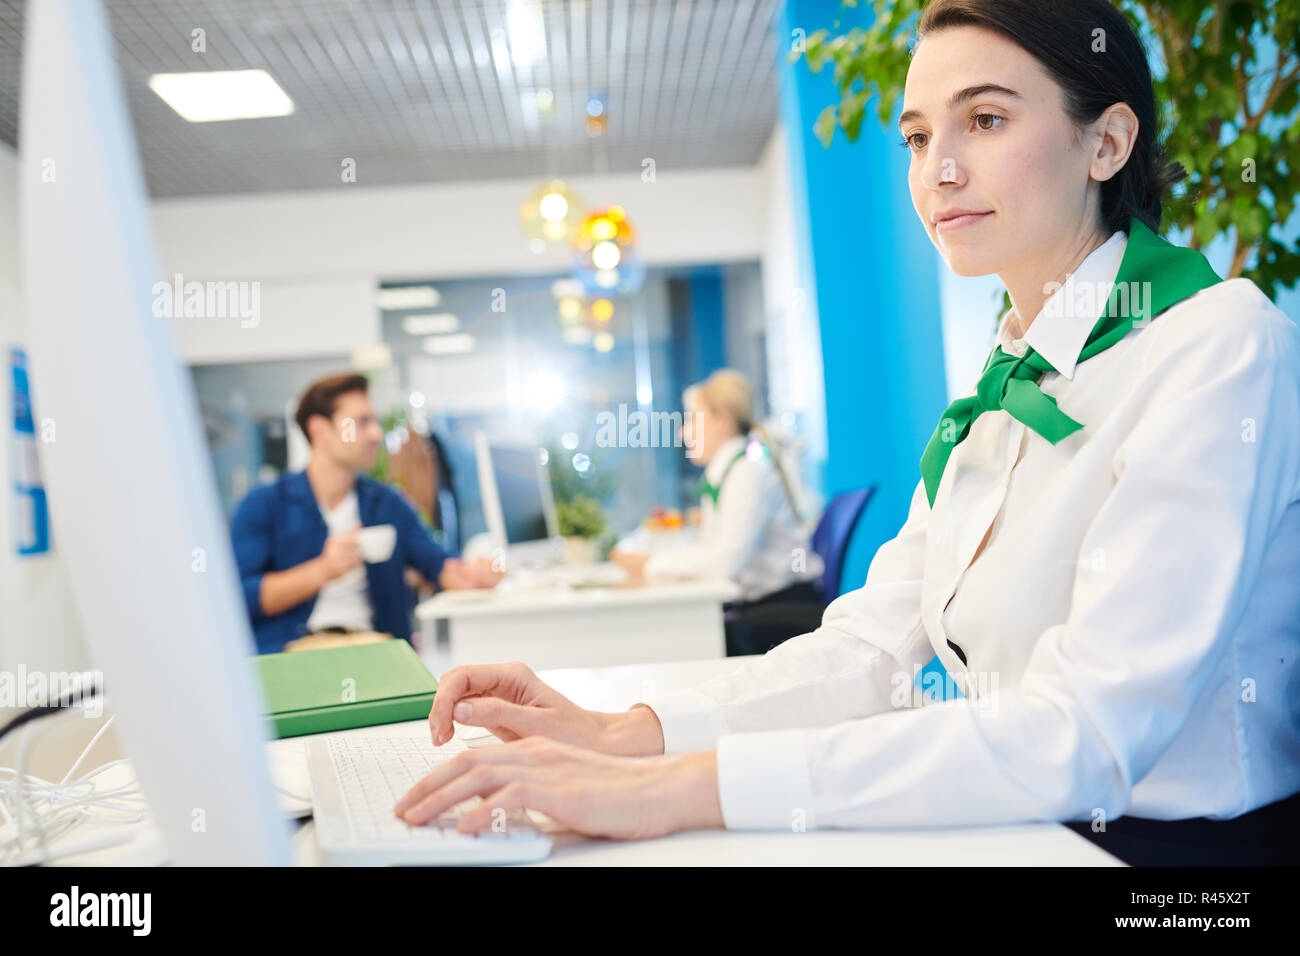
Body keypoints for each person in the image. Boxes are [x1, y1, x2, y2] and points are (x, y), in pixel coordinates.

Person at [391, 0, 1300, 864]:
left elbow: (1085, 731)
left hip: (1176, 868)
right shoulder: (1005, 380)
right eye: (916, 136)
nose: (936, 170)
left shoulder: (1217, 344)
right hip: (1026, 827)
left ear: (1106, 141)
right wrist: (623, 733)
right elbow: (869, 653)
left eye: (983, 121)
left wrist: (674, 790)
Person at [231, 373, 499, 654]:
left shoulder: (388, 503)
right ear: (319, 430)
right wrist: (324, 569)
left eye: (374, 422)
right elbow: (241, 597)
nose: (377, 434)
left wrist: (470, 575)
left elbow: (436, 564)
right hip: (291, 657)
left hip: (375, 652)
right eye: (361, 423)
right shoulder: (264, 504)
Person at [610, 369, 823, 655]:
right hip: (764, 605)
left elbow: (725, 563)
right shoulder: (728, 470)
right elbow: (711, 548)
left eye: (692, 420)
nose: (684, 432)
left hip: (777, 611)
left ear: (722, 421)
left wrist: (649, 564)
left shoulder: (745, 472)